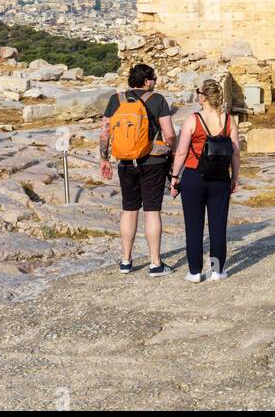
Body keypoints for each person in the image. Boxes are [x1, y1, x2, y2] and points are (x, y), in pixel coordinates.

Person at [100, 63, 177, 276]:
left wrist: (104, 159)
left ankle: (126, 261)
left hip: (125, 161)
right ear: (146, 81)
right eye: (154, 78)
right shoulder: (157, 99)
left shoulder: (116, 99)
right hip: (153, 161)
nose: (155, 82)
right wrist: (173, 153)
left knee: (129, 209)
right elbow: (169, 134)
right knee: (152, 210)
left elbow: (105, 132)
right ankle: (155, 263)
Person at [169, 80, 240, 282]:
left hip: (193, 176)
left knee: (194, 226)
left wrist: (174, 177)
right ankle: (217, 271)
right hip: (220, 179)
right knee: (218, 226)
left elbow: (182, 151)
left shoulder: (193, 119)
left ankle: (195, 272)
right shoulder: (228, 121)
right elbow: (235, 153)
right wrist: (235, 177)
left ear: (202, 96)